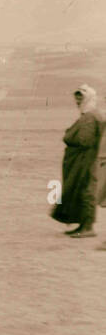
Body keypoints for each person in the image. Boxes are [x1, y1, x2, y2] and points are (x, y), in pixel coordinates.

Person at [53, 85, 101, 239]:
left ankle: (87, 227)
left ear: (89, 97)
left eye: (81, 97)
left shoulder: (90, 116)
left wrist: (69, 136)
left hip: (85, 160)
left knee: (86, 190)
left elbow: (84, 140)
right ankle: (83, 225)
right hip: (82, 159)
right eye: (77, 96)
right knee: (81, 189)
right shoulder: (89, 115)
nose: (77, 100)